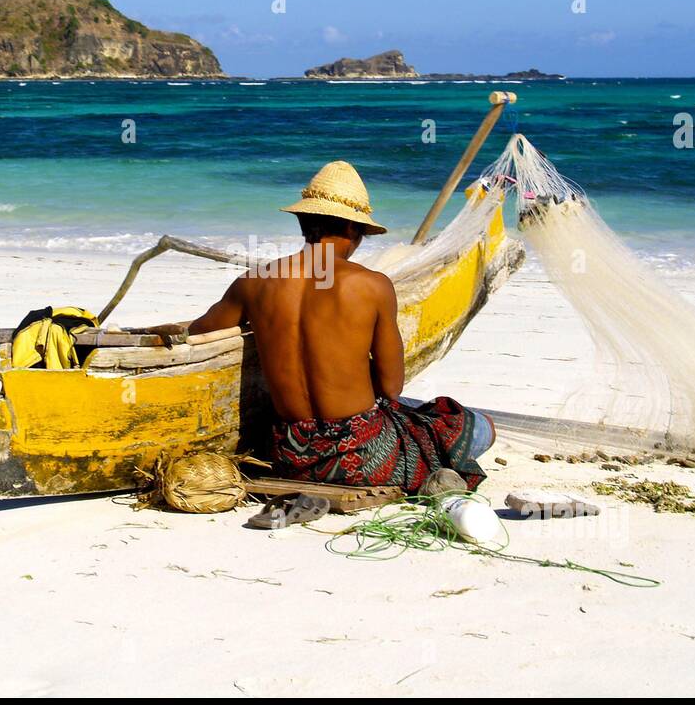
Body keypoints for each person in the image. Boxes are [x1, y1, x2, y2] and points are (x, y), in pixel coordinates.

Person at [189, 160, 494, 495]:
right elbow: (391, 388)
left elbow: (198, 333)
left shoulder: (254, 283)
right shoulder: (373, 286)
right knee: (476, 426)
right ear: (352, 229)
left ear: (303, 222)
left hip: (291, 456)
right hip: (363, 458)